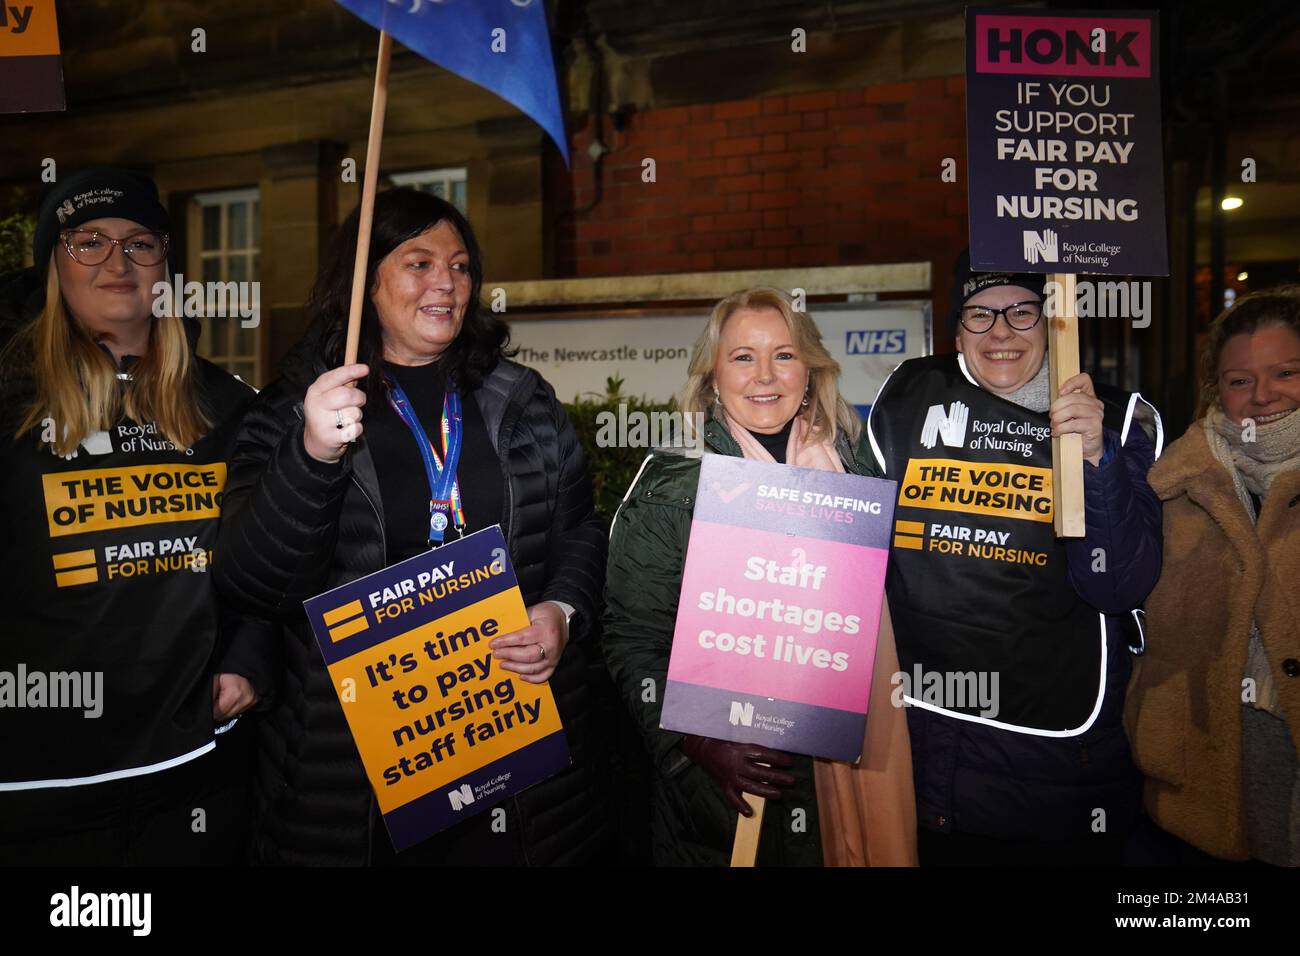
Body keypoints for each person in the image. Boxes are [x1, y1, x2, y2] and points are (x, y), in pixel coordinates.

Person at [214, 188, 608, 866]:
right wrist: (312, 455)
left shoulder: (523, 398)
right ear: (365, 283)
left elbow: (580, 530)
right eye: (418, 263)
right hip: (353, 774)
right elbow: (254, 579)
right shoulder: (297, 406)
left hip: (512, 750)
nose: (446, 284)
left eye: (459, 266)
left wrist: (562, 612)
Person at [0, 167, 272, 865]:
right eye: (88, 241)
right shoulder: (10, 397)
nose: (117, 262)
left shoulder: (227, 404)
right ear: (52, 263)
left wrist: (247, 657)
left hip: (193, 777)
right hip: (41, 787)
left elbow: (265, 559)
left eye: (139, 243)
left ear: (164, 265)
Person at [603, 287, 917, 866]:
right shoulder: (673, 483)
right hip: (726, 800)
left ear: (810, 368)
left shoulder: (854, 465)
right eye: (743, 357)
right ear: (712, 376)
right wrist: (695, 742)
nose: (765, 375)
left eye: (785, 354)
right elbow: (632, 640)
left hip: (854, 757)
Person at [866, 256, 1163, 865]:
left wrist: (1095, 462)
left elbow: (1121, 584)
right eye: (980, 314)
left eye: (1021, 311)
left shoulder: (1116, 423)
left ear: (1053, 323)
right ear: (957, 334)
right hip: (922, 754)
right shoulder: (906, 404)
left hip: (1051, 771)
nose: (1000, 331)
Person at [1126, 287, 1300, 866]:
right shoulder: (1176, 485)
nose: (1264, 395)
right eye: (1240, 380)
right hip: (1200, 770)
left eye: (1286, 372)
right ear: (1215, 388)